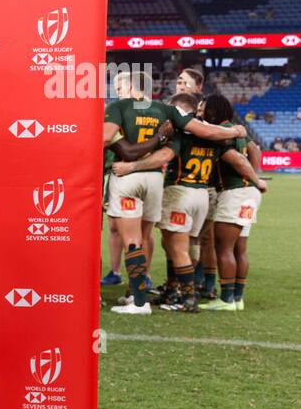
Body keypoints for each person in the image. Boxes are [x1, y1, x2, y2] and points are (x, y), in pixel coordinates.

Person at [103, 71, 245, 314]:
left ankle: (139, 302)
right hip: (157, 179)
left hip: (128, 177)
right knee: (147, 236)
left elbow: (105, 137)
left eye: (120, 86)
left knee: (132, 240)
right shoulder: (165, 110)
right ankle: (138, 294)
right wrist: (235, 131)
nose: (117, 91)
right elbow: (207, 131)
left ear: (131, 88)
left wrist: (120, 146)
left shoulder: (119, 107)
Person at [201, 94, 269, 312]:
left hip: (235, 192)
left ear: (212, 112)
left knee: (224, 248)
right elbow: (255, 150)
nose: (202, 114)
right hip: (248, 194)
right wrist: (254, 178)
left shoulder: (220, 134)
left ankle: (227, 299)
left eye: (205, 111)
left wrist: (255, 179)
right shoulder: (237, 129)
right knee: (240, 248)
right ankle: (238, 298)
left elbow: (236, 159)